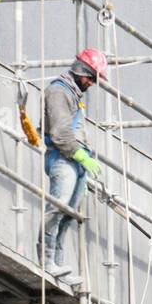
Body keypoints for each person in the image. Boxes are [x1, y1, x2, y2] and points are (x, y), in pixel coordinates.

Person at [38, 48, 108, 284]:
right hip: (63, 157)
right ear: (82, 71)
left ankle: (57, 260)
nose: (92, 83)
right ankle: (46, 260)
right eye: (91, 77)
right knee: (57, 208)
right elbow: (60, 132)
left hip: (76, 160)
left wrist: (84, 159)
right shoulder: (58, 92)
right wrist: (82, 156)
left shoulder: (74, 95)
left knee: (68, 214)